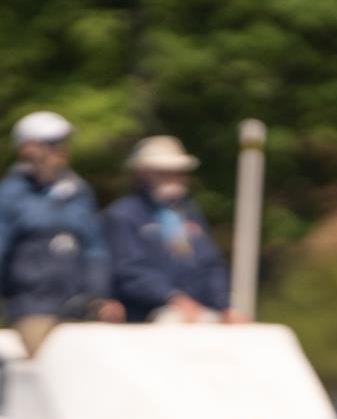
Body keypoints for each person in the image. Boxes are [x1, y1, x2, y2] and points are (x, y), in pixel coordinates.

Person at [0, 110, 123, 358]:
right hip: (33, 309)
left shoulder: (79, 193)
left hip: (82, 308)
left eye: (63, 143)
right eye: (52, 144)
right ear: (26, 149)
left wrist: (100, 297)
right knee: (52, 366)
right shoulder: (6, 195)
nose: (61, 150)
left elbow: (96, 251)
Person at [104, 136, 247, 325]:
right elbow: (130, 270)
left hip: (197, 311)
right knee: (172, 321)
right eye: (163, 172)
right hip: (144, 316)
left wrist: (225, 306)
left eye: (178, 172)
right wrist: (172, 297)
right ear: (142, 174)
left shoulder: (189, 212)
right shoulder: (123, 214)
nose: (173, 177)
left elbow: (210, 264)